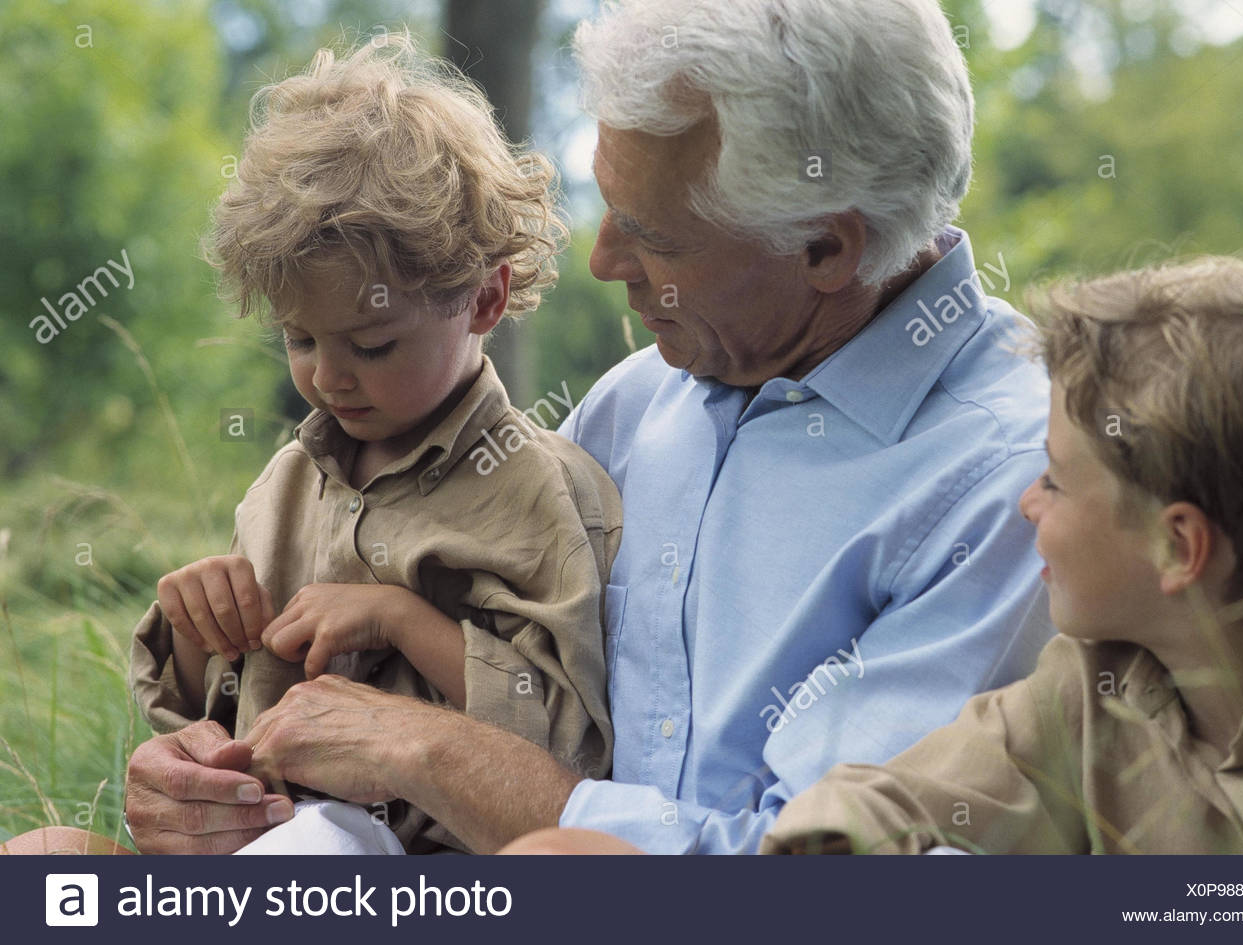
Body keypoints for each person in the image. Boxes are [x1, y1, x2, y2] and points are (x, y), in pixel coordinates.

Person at [9, 0, 1052, 857]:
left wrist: (432, 755)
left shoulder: (1010, 481)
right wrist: (201, 780)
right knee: (43, 871)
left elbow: (825, 873)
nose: (602, 266)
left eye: (653, 236)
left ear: (827, 247)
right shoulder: (640, 404)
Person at [131, 35, 617, 854]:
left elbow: (571, 737)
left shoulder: (537, 490)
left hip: (441, 863)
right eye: (300, 339)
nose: (329, 378)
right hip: (269, 838)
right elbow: (206, 715)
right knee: (40, 865)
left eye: (373, 343)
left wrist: (400, 619)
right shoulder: (286, 483)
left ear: (486, 297)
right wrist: (196, 622)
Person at [761, 249, 1243, 854]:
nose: (1027, 503)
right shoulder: (1095, 687)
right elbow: (883, 806)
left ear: (1176, 546)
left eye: (1054, 480)